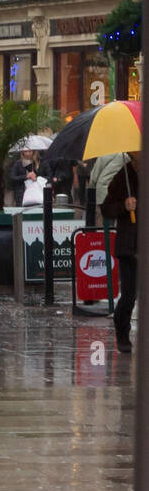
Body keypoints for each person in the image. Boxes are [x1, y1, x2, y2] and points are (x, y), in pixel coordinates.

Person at [102, 152, 139, 354]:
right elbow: (106, 209)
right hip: (129, 245)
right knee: (129, 295)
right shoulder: (122, 176)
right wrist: (124, 206)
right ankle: (122, 329)